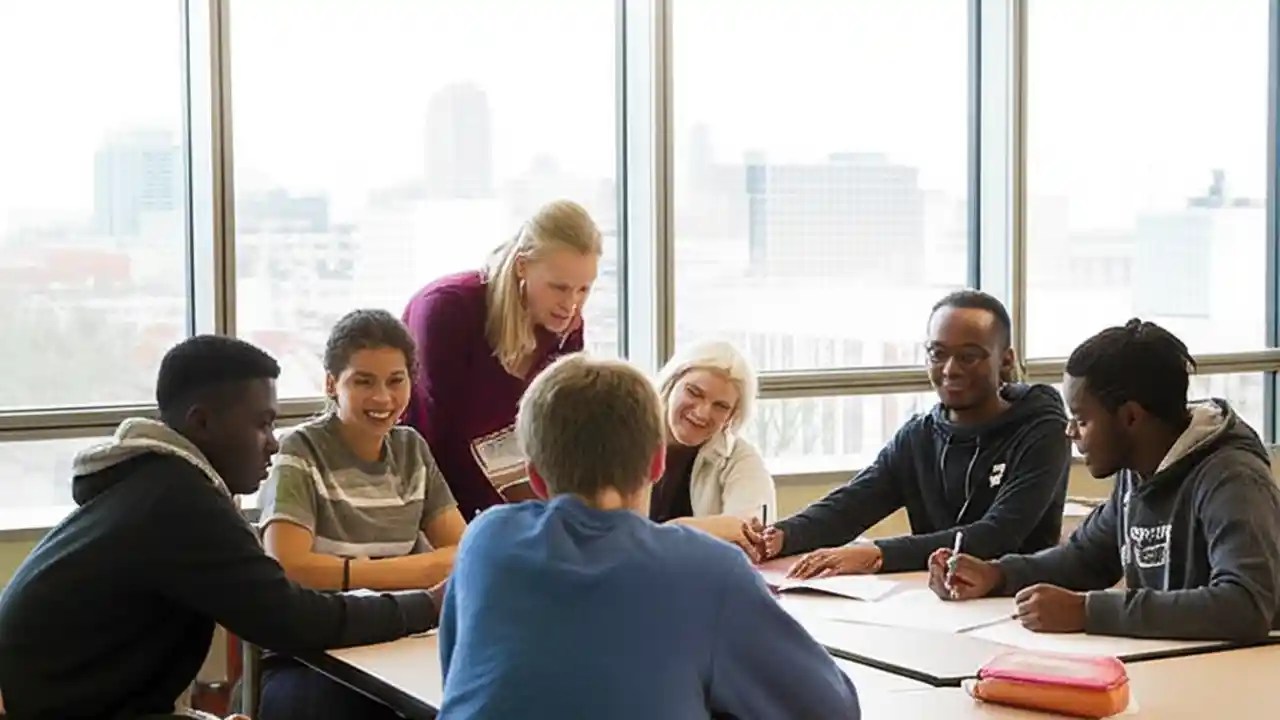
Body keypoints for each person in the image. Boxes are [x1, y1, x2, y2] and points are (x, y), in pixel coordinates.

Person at [0, 336, 437, 720]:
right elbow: (290, 618)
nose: (273, 441)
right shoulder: (178, 504)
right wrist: (428, 606)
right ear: (202, 422)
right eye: (262, 423)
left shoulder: (152, 483)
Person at [437, 355, 861, 718]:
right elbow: (832, 708)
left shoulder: (485, 541)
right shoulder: (706, 571)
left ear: (536, 479)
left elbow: (456, 671)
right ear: (657, 463)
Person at [929, 319, 1280, 641]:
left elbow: (1245, 606)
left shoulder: (1233, 479)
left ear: (1130, 417)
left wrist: (1088, 611)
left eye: (1081, 420)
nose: (1070, 432)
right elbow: (1085, 559)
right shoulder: (1139, 470)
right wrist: (996, 575)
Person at [763, 289, 1071, 577]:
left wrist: (876, 554)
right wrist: (780, 537)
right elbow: (851, 506)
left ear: (1005, 360)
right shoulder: (919, 436)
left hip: (1016, 600)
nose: (950, 369)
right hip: (930, 599)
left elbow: (999, 534)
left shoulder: (1042, 430)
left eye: (968, 357)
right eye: (937, 354)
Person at [257, 309, 466, 719]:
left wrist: (345, 574)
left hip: (401, 638)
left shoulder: (412, 449)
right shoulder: (301, 450)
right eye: (364, 381)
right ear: (333, 384)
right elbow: (290, 567)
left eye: (396, 381)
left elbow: (462, 552)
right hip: (313, 651)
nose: (383, 399)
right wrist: (415, 576)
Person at [402, 199, 601, 520]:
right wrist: (507, 522)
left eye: (583, 290)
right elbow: (440, 438)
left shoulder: (566, 330)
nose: (572, 305)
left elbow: (557, 437)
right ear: (522, 266)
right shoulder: (447, 310)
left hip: (505, 488)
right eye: (559, 287)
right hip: (423, 489)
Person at [649, 340, 776, 560]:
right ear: (671, 384)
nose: (702, 413)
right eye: (694, 392)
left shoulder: (739, 458)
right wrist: (709, 529)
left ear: (732, 416)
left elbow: (753, 536)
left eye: (721, 406)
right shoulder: (625, 440)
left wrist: (668, 530)